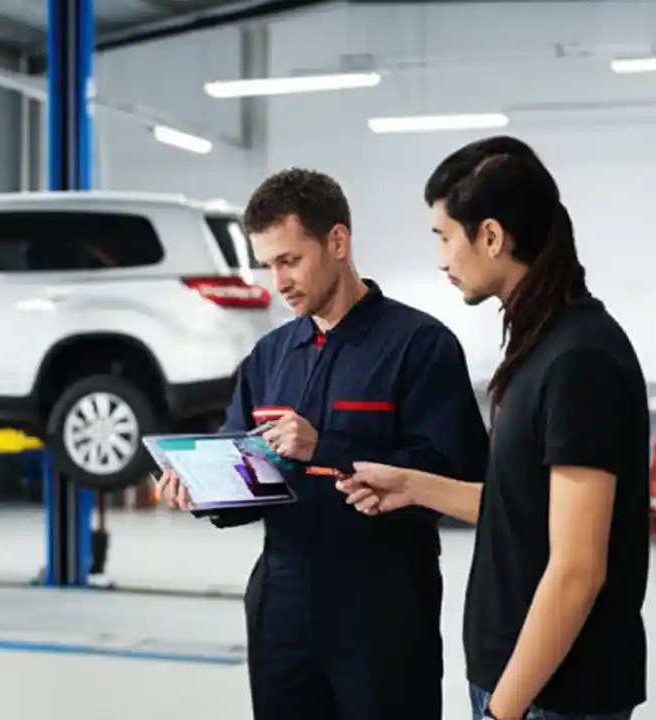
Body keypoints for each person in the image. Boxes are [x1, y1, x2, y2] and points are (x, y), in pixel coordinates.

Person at [335, 136, 651, 720]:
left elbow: (578, 569)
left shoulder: (579, 360)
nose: (440, 259)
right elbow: (524, 507)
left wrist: (502, 711)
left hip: (553, 696)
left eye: (444, 236)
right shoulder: (538, 347)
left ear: (491, 236)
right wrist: (412, 487)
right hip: (516, 683)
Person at [157, 168, 490, 720]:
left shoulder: (419, 347)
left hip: (381, 604)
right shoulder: (269, 357)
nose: (277, 282)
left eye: (289, 261)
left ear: (337, 241)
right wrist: (201, 490)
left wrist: (329, 447)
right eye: (268, 266)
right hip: (283, 599)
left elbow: (457, 476)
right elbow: (241, 470)